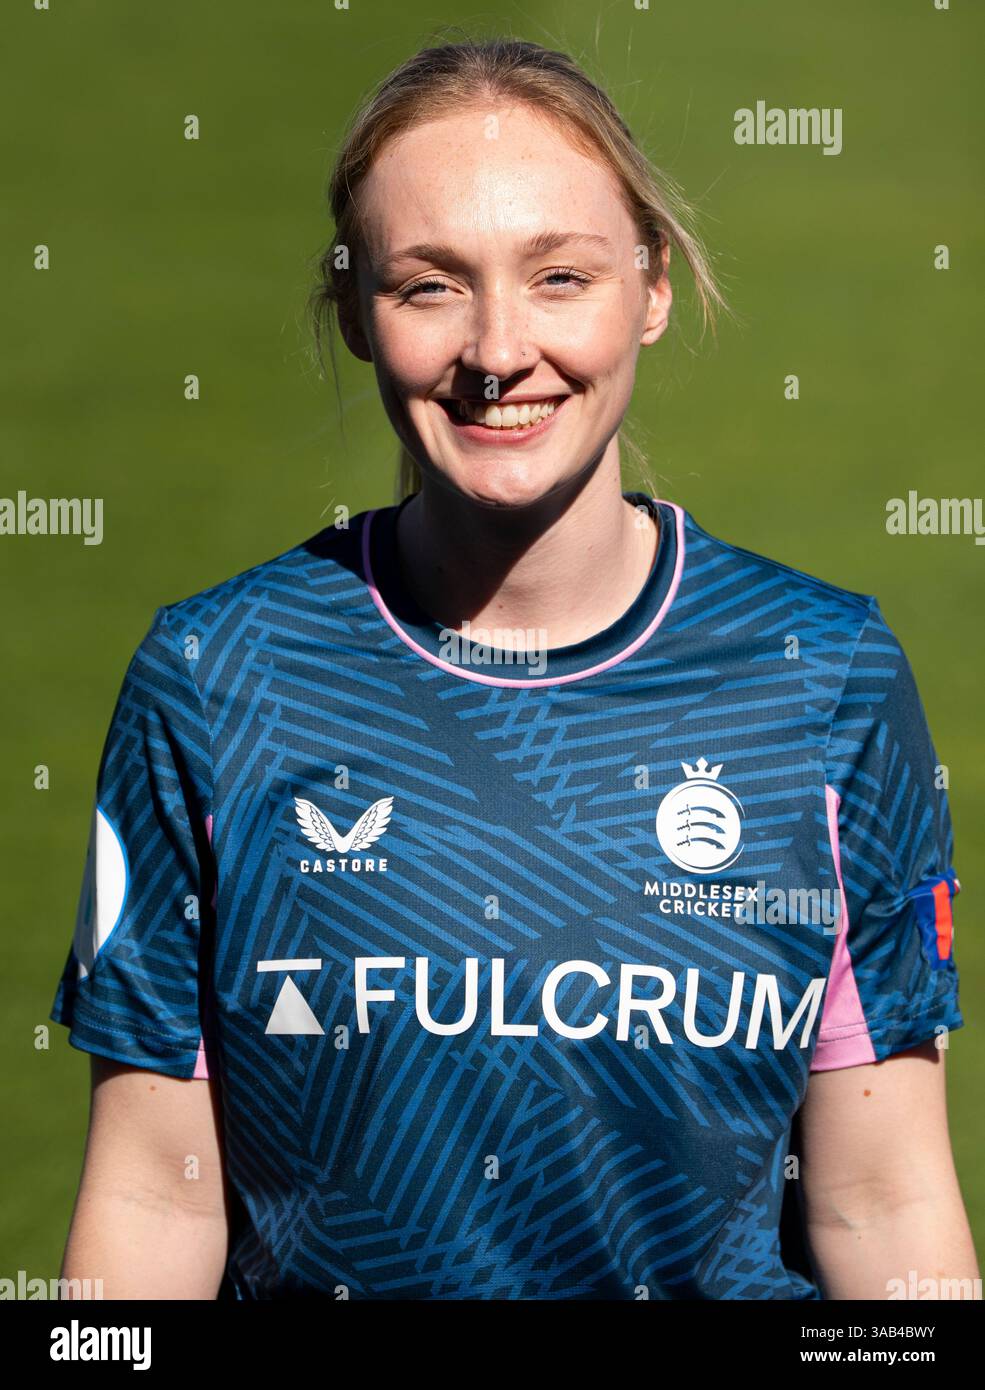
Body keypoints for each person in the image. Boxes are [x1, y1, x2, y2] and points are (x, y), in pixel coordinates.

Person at [51, 37, 977, 1301]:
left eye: (559, 277)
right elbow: (155, 1194)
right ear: (356, 314)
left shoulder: (824, 677)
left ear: (650, 288)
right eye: (429, 286)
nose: (498, 350)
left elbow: (881, 1202)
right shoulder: (219, 677)